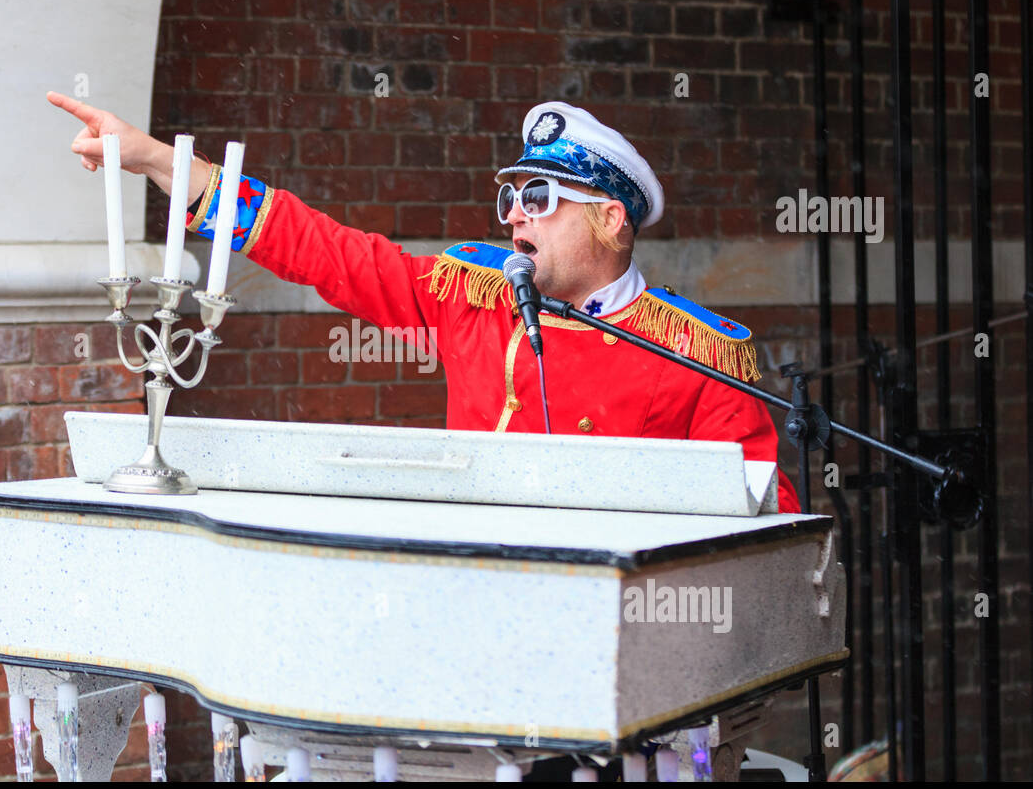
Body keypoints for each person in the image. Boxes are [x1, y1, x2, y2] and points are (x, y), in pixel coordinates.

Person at [48, 92, 799, 513]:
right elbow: (329, 253)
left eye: (540, 197)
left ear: (612, 219)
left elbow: (769, 514)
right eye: (510, 196)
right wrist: (160, 162)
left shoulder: (696, 350)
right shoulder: (473, 296)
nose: (514, 215)